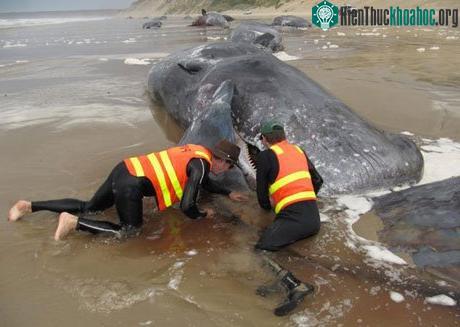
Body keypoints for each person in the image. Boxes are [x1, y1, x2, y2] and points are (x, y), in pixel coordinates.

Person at [8, 140, 247, 240]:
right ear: (222, 160)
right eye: (229, 166)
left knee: (90, 206)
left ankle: (28, 206)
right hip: (131, 185)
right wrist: (203, 215)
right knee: (130, 231)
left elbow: (202, 181)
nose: (227, 170)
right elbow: (187, 206)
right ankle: (74, 223)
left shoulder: (197, 152)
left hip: (125, 168)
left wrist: (227, 193)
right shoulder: (202, 166)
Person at [254, 121, 324, 316]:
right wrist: (305, 195)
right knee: (278, 247)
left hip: (294, 218)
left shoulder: (266, 155)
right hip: (313, 218)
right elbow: (318, 180)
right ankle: (279, 283)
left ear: (265, 139)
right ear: (284, 137)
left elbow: (261, 195)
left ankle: (296, 286)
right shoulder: (298, 150)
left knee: (260, 250)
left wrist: (269, 209)